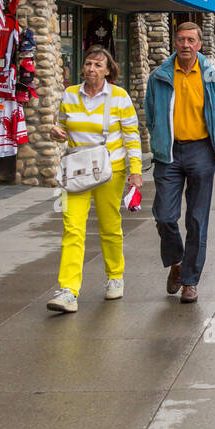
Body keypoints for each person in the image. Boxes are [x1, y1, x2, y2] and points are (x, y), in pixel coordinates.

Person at [46, 46, 142, 313]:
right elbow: (62, 125)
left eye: (98, 65)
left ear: (108, 70)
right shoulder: (69, 94)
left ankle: (115, 276)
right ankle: (68, 290)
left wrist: (135, 171)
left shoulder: (119, 97)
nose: (92, 69)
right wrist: (57, 131)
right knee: (72, 227)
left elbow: (132, 137)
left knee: (110, 226)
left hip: (110, 170)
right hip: (77, 170)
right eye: (88, 63)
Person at [145, 21, 215, 303]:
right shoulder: (159, 76)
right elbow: (150, 113)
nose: (185, 45)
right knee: (165, 217)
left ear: (199, 44)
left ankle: (190, 281)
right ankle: (176, 263)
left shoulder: (211, 75)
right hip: (168, 153)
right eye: (181, 39)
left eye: (191, 40)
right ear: (175, 42)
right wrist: (158, 137)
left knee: (196, 219)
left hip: (201, 152)